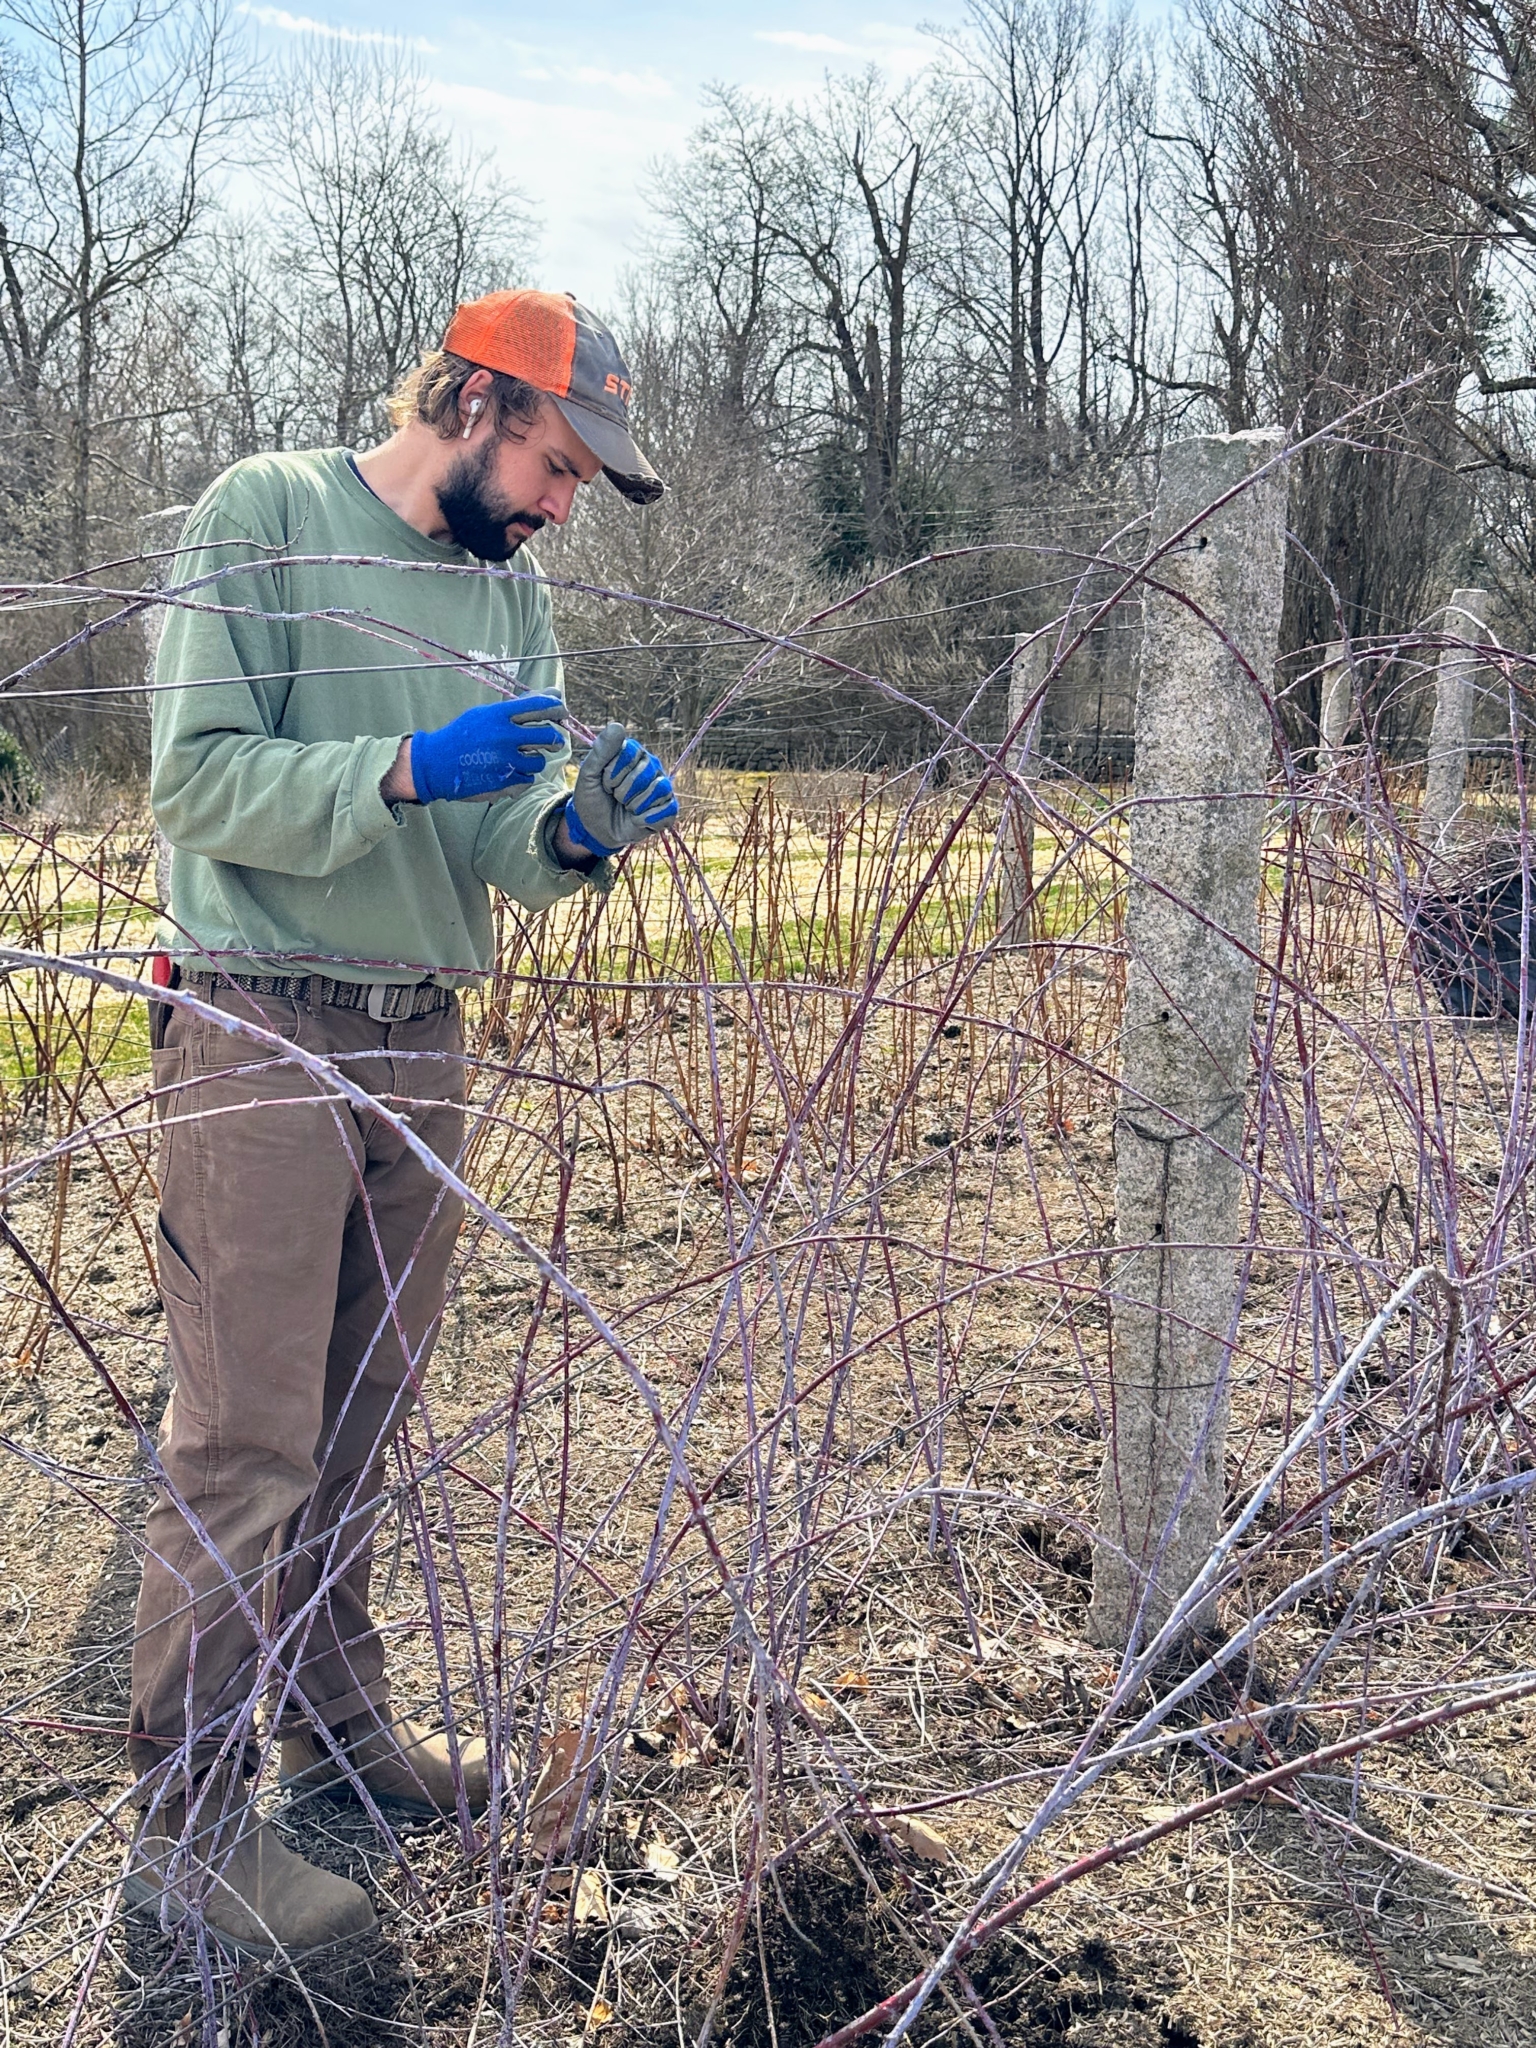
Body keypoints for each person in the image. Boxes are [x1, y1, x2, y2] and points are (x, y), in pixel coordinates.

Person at [124, 290, 677, 1956]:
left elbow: (498, 847)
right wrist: (402, 770)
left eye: (582, 484)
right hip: (262, 1019)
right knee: (245, 1441)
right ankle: (191, 1828)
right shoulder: (269, 513)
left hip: (419, 1034)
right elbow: (197, 780)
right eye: (560, 466)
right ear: (477, 399)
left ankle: (340, 1729)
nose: (563, 508)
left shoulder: (511, 610)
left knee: (363, 1420)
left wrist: (573, 833)